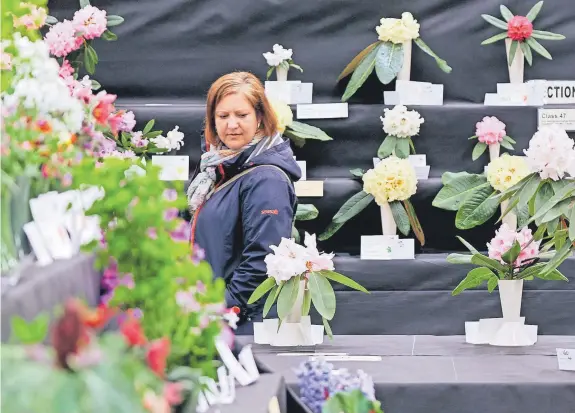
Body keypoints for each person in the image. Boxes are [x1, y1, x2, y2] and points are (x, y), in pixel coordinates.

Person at [186, 71, 301, 333]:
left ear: (260, 117)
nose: (232, 124)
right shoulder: (215, 170)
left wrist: (223, 308)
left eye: (242, 115)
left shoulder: (267, 180)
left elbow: (263, 261)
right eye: (223, 116)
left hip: (239, 325)